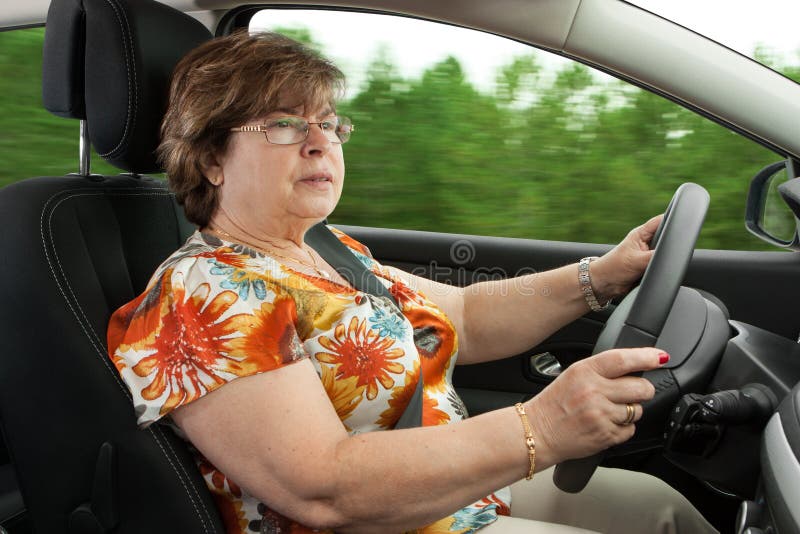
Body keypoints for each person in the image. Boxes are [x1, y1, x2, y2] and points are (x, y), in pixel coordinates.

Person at [107, 30, 717, 534]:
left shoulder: (324, 250)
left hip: (449, 500)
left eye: (329, 124)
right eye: (285, 126)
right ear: (211, 159)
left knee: (662, 511)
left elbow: (467, 315)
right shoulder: (204, 297)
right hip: (375, 523)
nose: (321, 143)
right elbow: (325, 488)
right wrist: (543, 426)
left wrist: (601, 277)